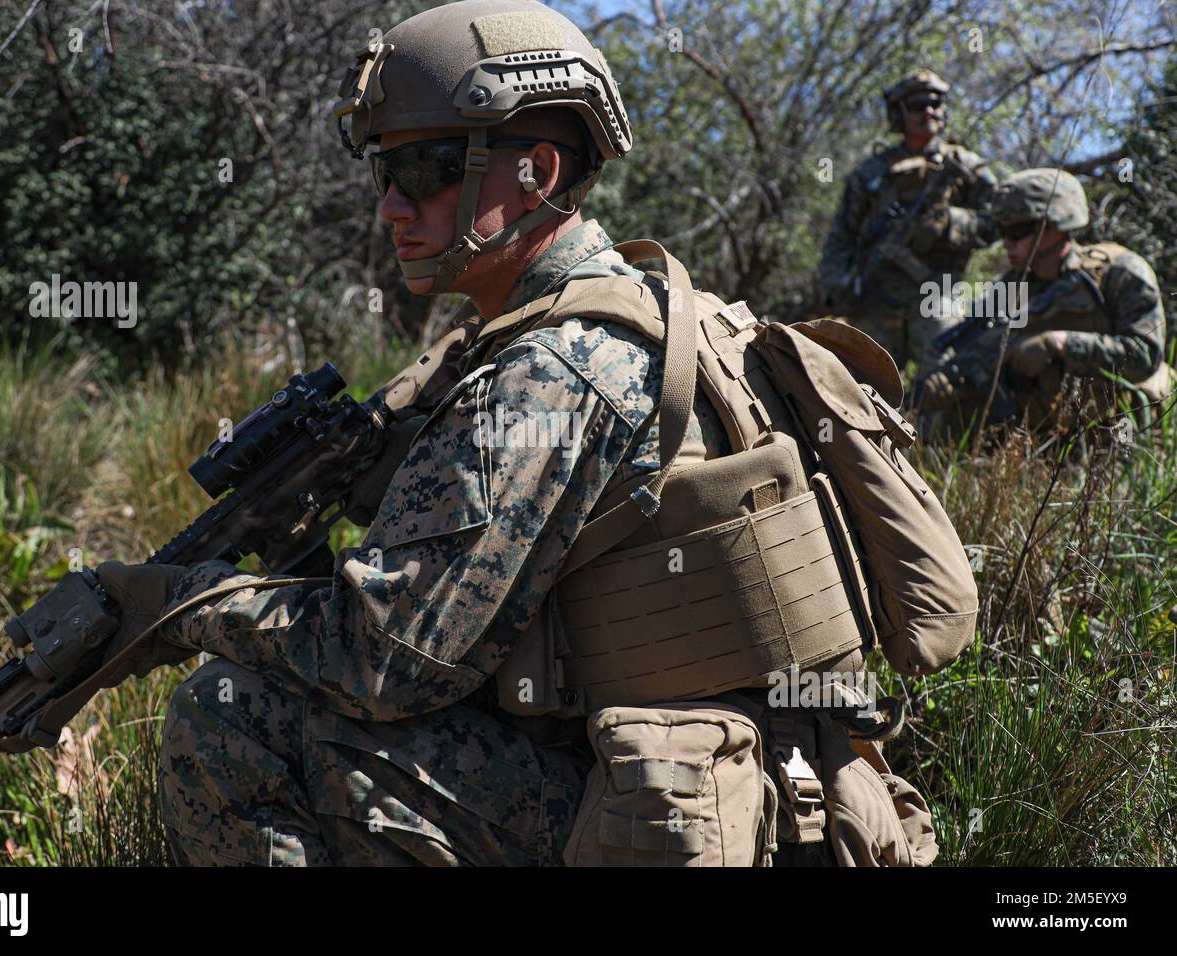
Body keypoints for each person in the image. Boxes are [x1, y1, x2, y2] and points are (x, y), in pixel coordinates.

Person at [94, 0, 946, 867]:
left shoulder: (554, 371)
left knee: (233, 716)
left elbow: (384, 660)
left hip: (691, 818)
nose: (392, 207)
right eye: (383, 174)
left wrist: (183, 603)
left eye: (423, 169)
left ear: (537, 170)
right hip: (783, 792)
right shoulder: (678, 315)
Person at [912, 167, 1170, 433]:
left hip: (1119, 433)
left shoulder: (1119, 273)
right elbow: (980, 353)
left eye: (1017, 232)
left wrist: (1060, 344)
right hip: (1045, 435)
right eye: (1002, 231)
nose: (1006, 244)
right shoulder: (1009, 287)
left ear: (1056, 226)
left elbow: (1144, 356)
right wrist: (949, 384)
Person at [818, 69, 997, 371]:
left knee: (945, 378)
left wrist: (950, 223)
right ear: (899, 113)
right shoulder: (871, 172)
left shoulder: (966, 166)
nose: (928, 111)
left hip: (936, 292)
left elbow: (999, 221)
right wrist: (837, 286)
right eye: (917, 105)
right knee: (865, 387)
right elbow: (842, 236)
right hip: (876, 298)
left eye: (935, 103)